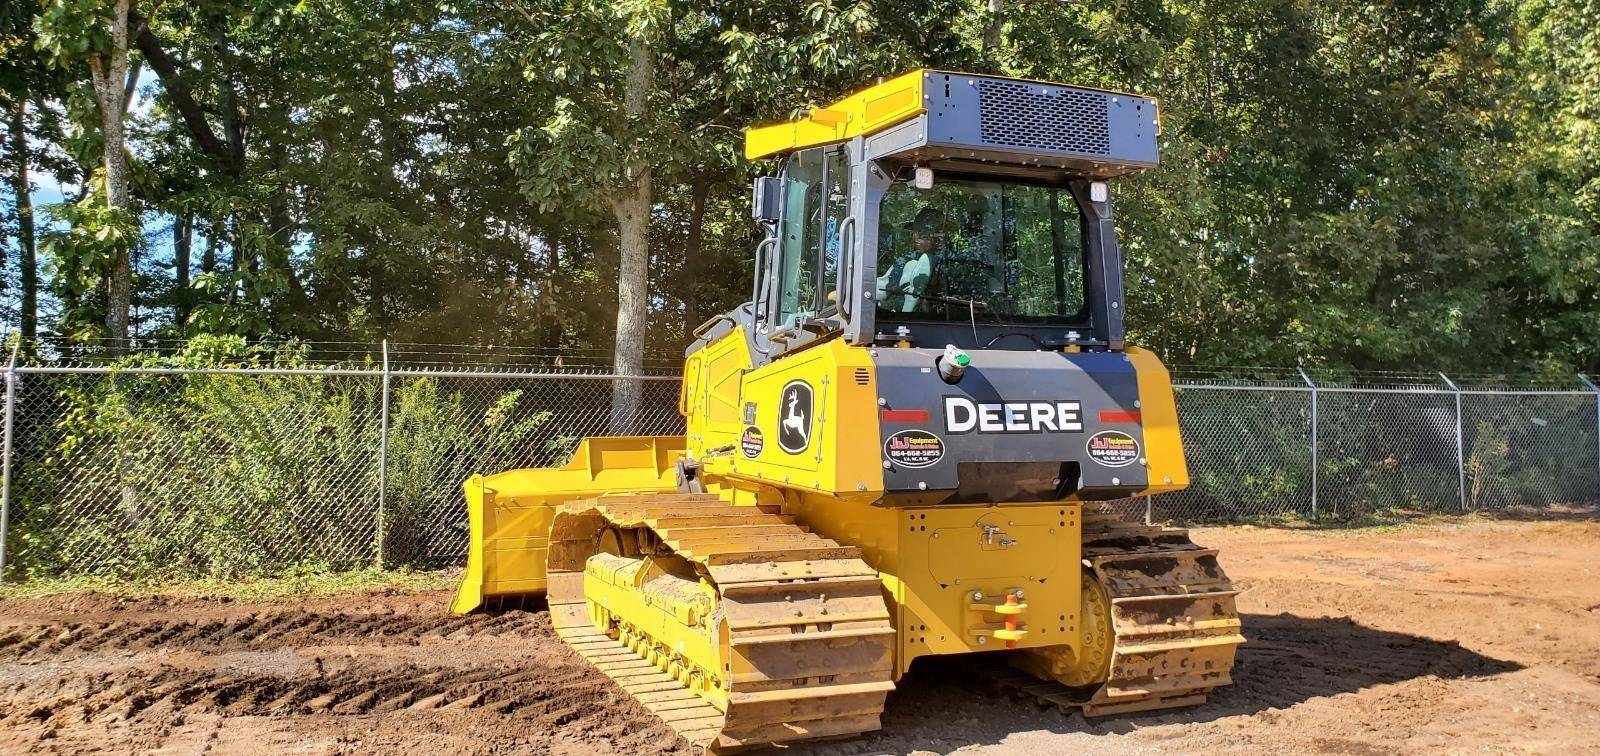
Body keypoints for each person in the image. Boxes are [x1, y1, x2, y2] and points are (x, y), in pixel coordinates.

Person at [877, 207, 945, 312]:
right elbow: (883, 285)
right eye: (915, 232)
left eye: (924, 235)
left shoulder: (925, 261)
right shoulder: (908, 259)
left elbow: (912, 299)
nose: (916, 237)